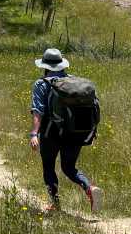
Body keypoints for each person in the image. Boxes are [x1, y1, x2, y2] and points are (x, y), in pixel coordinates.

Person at [29, 48, 102, 212]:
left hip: (50, 133)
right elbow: (94, 109)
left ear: (45, 66)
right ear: (62, 65)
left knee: (48, 166)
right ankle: (89, 188)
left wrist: (34, 133)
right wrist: (92, 130)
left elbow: (38, 111)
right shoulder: (76, 85)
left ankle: (55, 204)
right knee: (69, 168)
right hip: (75, 132)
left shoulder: (41, 84)